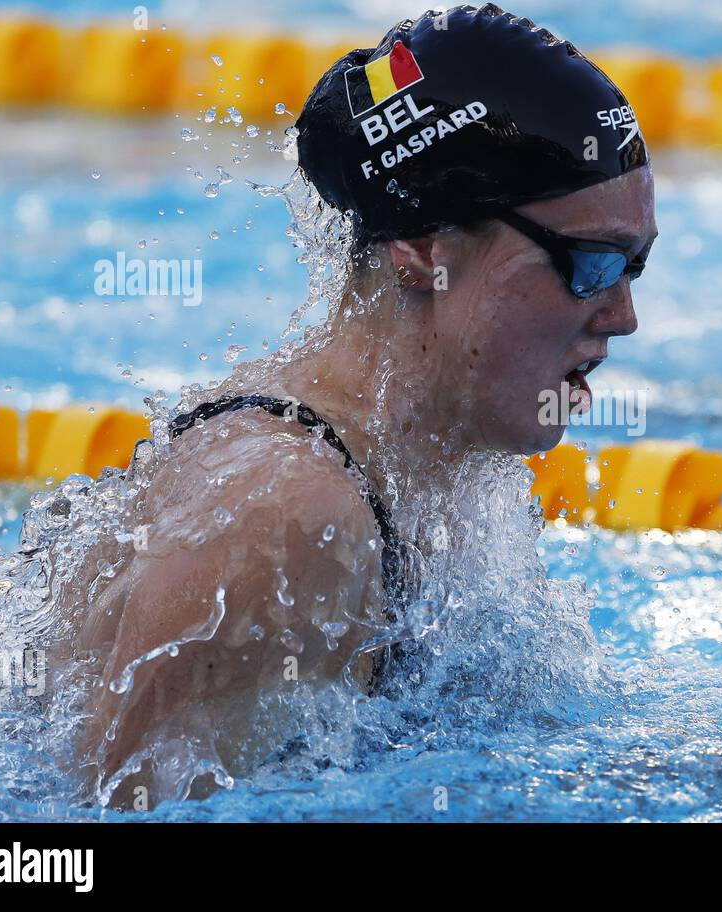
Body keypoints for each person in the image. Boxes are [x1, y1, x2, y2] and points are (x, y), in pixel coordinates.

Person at [60, 2, 657, 806]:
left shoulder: (419, 465)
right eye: (590, 264)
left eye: (635, 266)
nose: (621, 314)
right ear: (423, 247)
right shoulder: (288, 518)